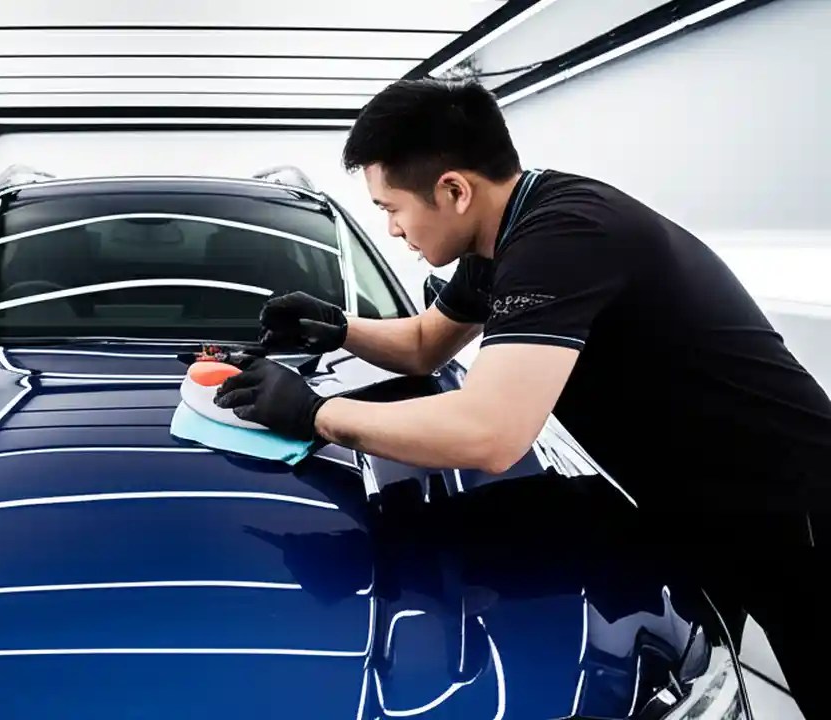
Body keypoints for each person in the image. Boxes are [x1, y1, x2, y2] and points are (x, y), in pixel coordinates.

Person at [212, 77, 830, 716]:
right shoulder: (502, 232)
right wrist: (338, 325)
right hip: (701, 502)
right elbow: (428, 342)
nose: (392, 229)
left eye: (390, 208)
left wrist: (316, 413)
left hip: (794, 503)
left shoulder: (563, 238)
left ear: (454, 190)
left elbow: (492, 433)